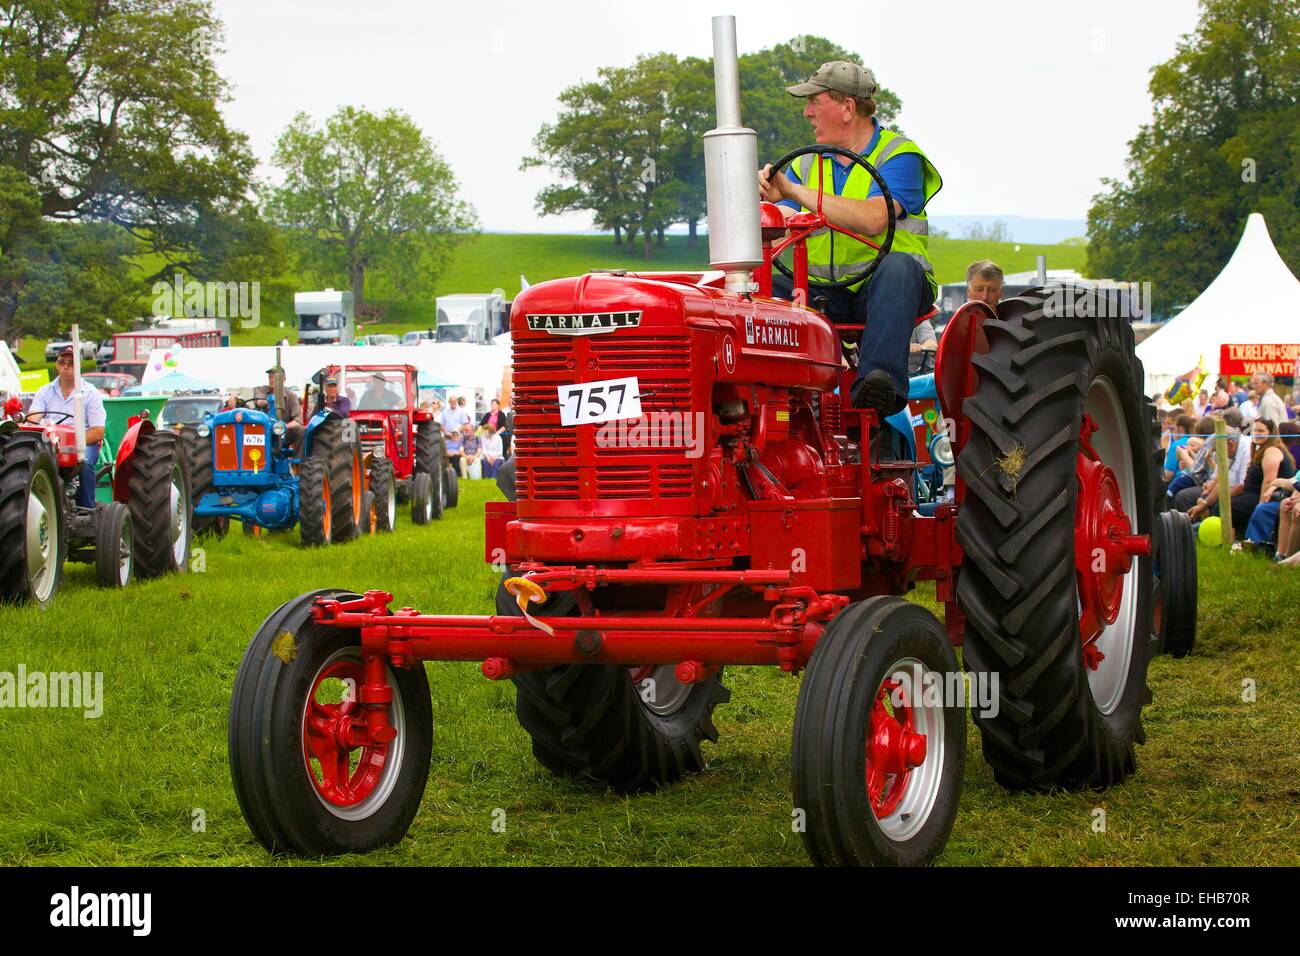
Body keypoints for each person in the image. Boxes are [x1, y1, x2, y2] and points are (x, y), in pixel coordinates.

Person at [758, 59, 943, 417]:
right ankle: (776, 399)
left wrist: (794, 192)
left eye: (815, 102)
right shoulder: (807, 164)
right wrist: (762, 197)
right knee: (760, 290)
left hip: (886, 291)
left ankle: (878, 384)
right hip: (826, 290)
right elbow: (783, 217)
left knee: (899, 267)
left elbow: (875, 218)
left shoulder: (898, 155)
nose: (806, 113)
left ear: (847, 108)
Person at [27, 346, 106, 507]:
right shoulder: (44, 392)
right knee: (30, 461)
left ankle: (86, 508)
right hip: (50, 444)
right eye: (62, 362)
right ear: (56, 365)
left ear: (79, 367)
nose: (65, 367)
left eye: (71, 363)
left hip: (81, 444)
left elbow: (97, 432)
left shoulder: (90, 393)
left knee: (83, 463)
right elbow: (32, 420)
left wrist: (71, 443)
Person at [252, 366, 303, 450]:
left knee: (301, 431)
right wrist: (268, 401)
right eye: (270, 377)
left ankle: (297, 461)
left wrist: (282, 427)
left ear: (284, 379)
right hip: (263, 431)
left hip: (284, 432)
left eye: (275, 377)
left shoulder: (291, 396)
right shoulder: (261, 390)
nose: (272, 380)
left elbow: (298, 421)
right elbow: (258, 401)